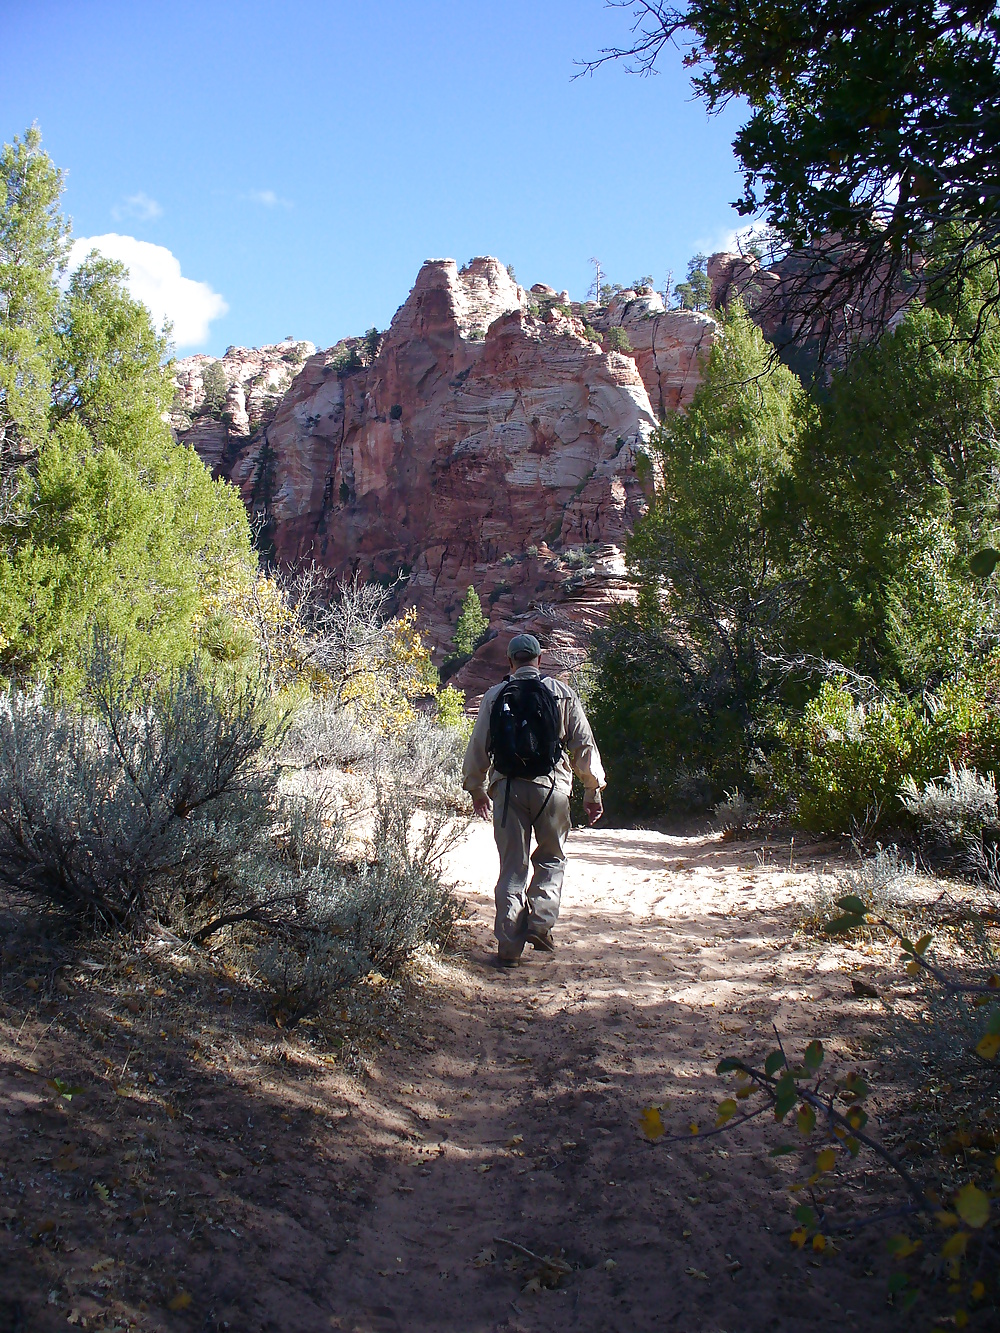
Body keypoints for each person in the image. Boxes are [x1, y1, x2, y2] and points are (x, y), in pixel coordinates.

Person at [462, 633, 606, 967]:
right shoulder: (561, 693)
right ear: (539, 660)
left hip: (508, 788)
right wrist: (591, 790)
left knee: (512, 867)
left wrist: (477, 789)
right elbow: (583, 745)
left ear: (510, 662)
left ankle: (509, 949)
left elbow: (478, 747)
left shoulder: (496, 695)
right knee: (552, 858)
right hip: (551, 788)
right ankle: (540, 922)